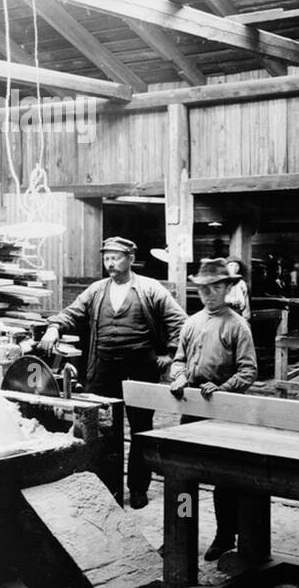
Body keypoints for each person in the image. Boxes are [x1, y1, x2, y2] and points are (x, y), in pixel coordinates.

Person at [39, 237, 186, 508]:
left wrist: (169, 355)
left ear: (131, 258)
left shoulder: (149, 288)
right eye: (106, 258)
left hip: (141, 366)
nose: (110, 263)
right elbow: (71, 312)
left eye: (116, 257)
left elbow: (180, 322)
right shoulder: (96, 290)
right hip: (104, 367)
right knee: (106, 427)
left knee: (141, 428)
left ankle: (138, 488)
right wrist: (54, 326)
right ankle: (110, 487)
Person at [169, 259, 258, 561]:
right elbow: (178, 359)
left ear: (227, 288)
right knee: (184, 474)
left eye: (216, 287)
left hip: (222, 411)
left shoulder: (237, 325)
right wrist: (179, 376)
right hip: (191, 408)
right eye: (204, 288)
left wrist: (223, 389)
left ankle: (225, 536)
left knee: (224, 479)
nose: (209, 294)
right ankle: (181, 532)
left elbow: (248, 372)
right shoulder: (191, 323)